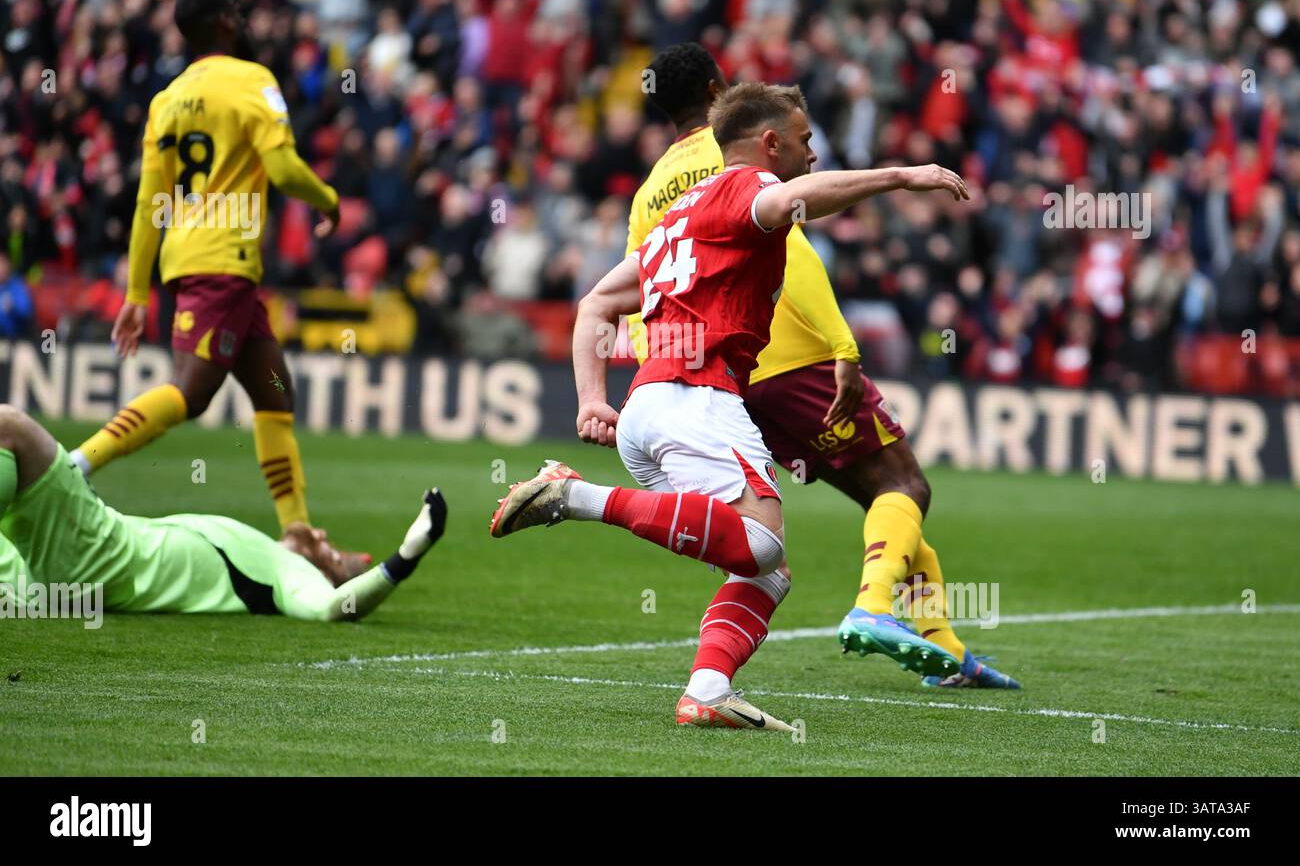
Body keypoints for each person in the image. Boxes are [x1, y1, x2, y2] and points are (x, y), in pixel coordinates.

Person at [490, 81, 969, 730]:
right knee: (762, 542)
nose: (812, 153)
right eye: (804, 140)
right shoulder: (743, 189)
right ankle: (573, 496)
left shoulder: (674, 220)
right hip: (697, 399)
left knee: (767, 573)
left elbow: (595, 305)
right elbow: (795, 198)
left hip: (646, 410)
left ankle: (708, 689)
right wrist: (903, 175)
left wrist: (591, 401)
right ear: (768, 143)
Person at [624, 44, 1020, 690]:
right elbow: (796, 249)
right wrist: (843, 346)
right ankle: (872, 609)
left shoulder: (648, 194)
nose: (810, 151)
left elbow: (644, 290)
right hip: (787, 352)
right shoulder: (735, 156)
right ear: (721, 91)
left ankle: (943, 648)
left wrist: (663, 375)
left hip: (717, 382)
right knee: (905, 485)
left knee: (881, 496)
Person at [71, 0, 341, 534]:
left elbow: (151, 204)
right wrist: (329, 200)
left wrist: (136, 294)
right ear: (223, 22)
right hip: (225, 259)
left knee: (273, 391)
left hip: (186, 257)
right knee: (192, 392)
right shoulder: (252, 80)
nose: (242, 19)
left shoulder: (165, 100)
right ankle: (76, 465)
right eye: (237, 12)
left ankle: (297, 532)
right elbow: (285, 170)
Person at [2, 407, 444, 621]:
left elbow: (334, 608)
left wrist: (404, 559)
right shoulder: (266, 553)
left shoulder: (287, 573)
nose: (322, 534)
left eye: (329, 550)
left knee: (11, 429)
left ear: (321, 570)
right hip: (43, 577)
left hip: (98, 555)